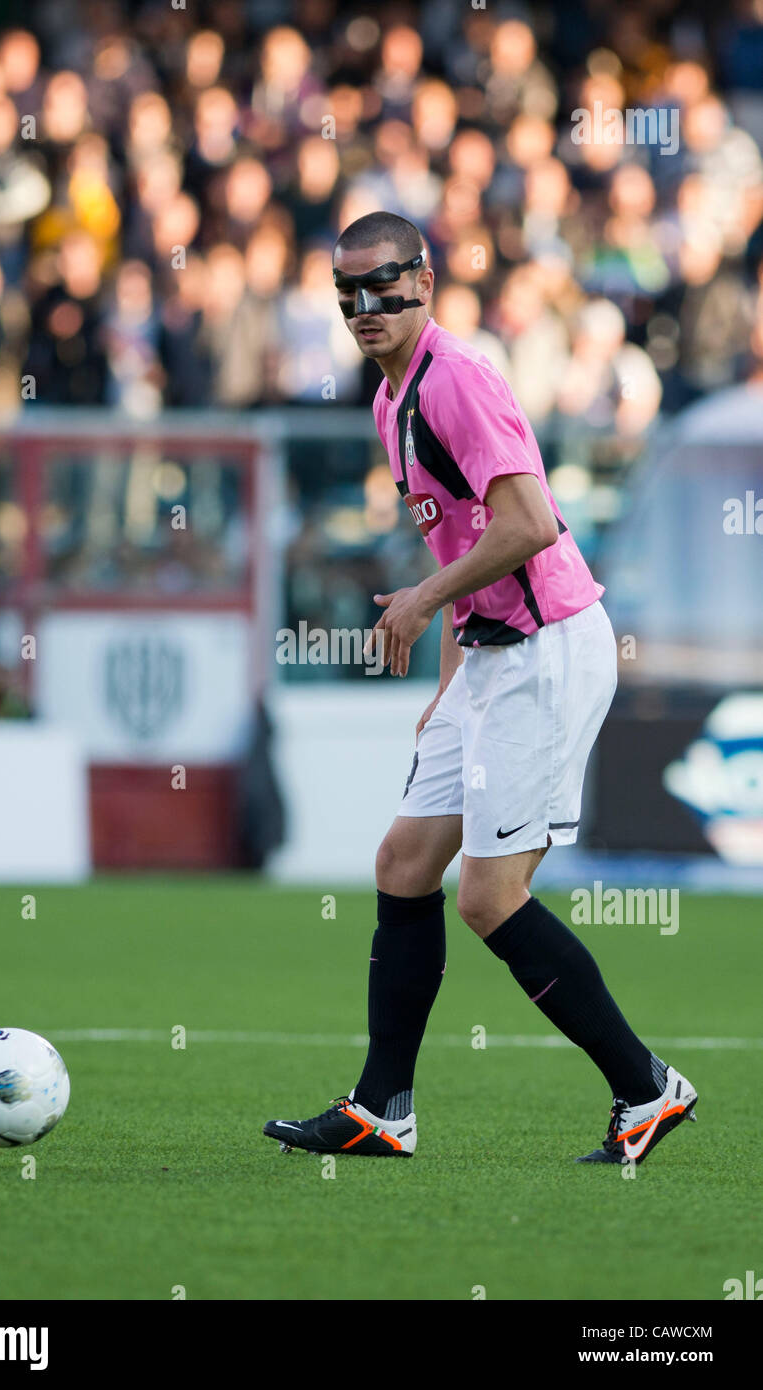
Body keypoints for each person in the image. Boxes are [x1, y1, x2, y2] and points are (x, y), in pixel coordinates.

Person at [264, 211, 698, 1165]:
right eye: (348, 294)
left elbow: (532, 521)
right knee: (403, 865)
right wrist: (451, 676)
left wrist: (423, 602)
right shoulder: (389, 401)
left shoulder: (455, 379)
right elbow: (466, 541)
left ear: (425, 281)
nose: (365, 307)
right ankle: (385, 1108)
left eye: (384, 286)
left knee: (488, 896)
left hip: (546, 649)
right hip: (493, 654)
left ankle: (647, 1088)